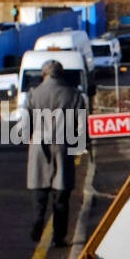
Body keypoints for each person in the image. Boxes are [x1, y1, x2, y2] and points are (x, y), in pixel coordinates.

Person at [26, 60, 85, 247]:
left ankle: (38, 218)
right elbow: (81, 124)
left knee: (39, 188)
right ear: (61, 74)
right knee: (61, 193)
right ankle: (57, 237)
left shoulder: (33, 95)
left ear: (44, 74)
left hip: (38, 144)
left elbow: (26, 123)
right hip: (62, 143)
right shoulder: (73, 95)